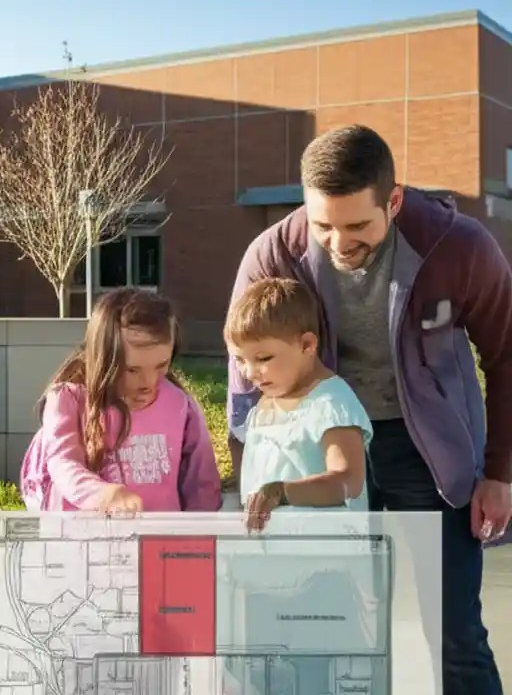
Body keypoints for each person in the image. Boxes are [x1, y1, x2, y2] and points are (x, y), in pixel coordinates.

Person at [226, 123, 511, 693]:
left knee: (454, 631)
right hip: (320, 452)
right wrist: (252, 481)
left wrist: (500, 474)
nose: (337, 242)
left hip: (427, 453)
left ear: (395, 200)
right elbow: (244, 380)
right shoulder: (273, 255)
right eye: (322, 223)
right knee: (331, 632)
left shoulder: (459, 247)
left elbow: (506, 354)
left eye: (357, 225)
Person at [20, 287, 222, 514]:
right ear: (102, 358)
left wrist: (197, 539)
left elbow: (202, 486)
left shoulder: (182, 405)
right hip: (85, 543)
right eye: (132, 370)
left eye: (161, 365)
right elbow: (62, 464)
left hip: (158, 543)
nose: (149, 381)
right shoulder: (69, 400)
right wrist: (104, 495)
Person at [225, 277, 371, 533]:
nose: (249, 372)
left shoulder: (330, 403)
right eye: (239, 360)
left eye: (263, 358)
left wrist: (283, 492)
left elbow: (348, 480)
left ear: (307, 345)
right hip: (274, 558)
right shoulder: (265, 404)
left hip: (324, 560)